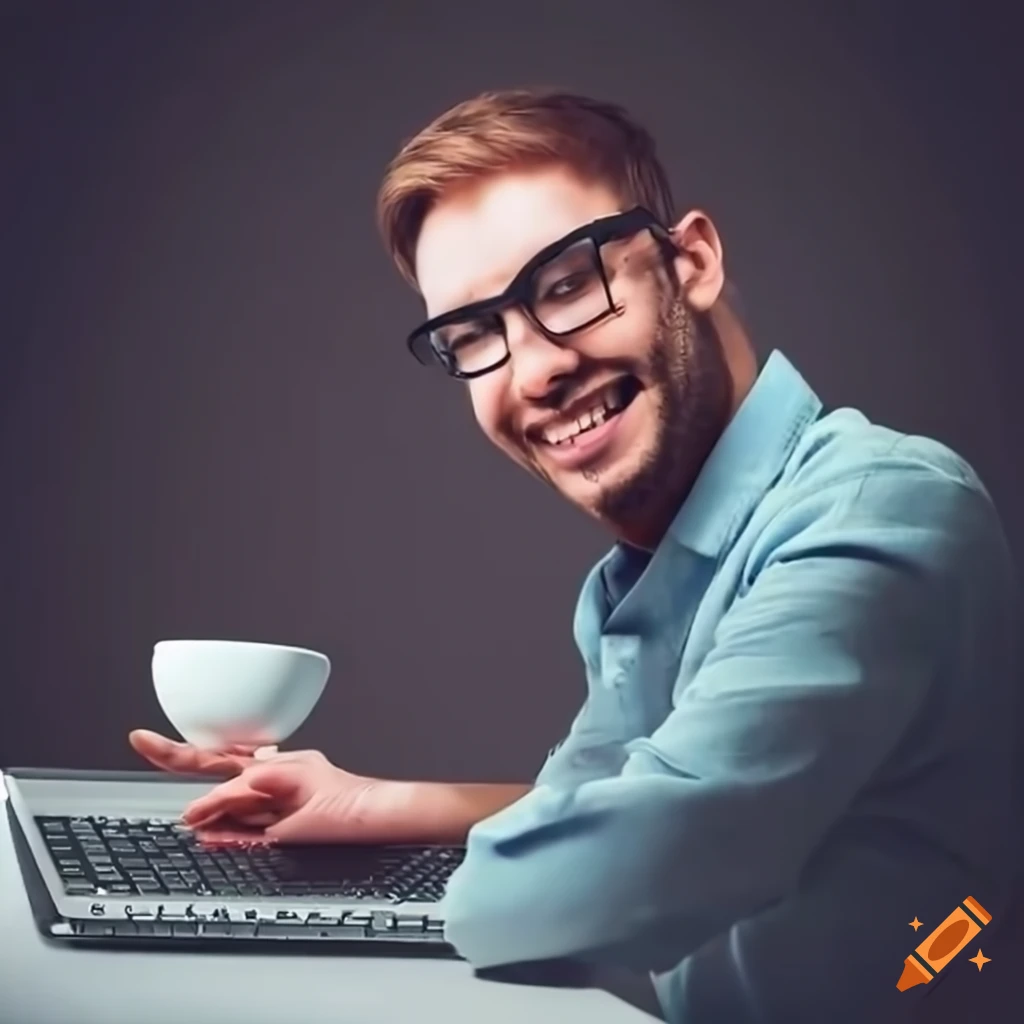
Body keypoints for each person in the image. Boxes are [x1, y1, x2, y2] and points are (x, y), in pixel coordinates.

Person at [128, 89, 1021, 1023]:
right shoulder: (653, 576)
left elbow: (598, 879)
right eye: (474, 335)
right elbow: (616, 800)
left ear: (693, 262)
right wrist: (370, 806)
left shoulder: (880, 511)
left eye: (564, 284)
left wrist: (485, 872)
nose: (534, 370)